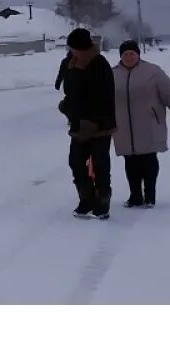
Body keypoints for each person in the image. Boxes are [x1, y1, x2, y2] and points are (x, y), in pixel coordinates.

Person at [112, 40, 170, 208]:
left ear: (138, 54)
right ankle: (135, 196)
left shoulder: (153, 72)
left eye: (132, 53)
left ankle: (149, 196)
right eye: (125, 54)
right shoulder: (113, 74)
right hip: (123, 127)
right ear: (120, 56)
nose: (129, 57)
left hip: (148, 123)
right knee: (130, 162)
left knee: (148, 160)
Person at [58, 28, 116, 219]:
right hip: (78, 125)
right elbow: (71, 93)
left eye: (73, 47)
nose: (71, 50)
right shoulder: (71, 63)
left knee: (100, 164)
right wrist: (66, 106)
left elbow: (105, 96)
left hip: (99, 124)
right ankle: (86, 199)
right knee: (75, 162)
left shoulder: (99, 64)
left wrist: (92, 120)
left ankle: (102, 203)